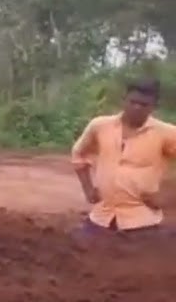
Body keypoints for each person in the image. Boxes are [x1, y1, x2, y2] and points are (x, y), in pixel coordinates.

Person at [70, 77, 176, 237]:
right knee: (75, 250)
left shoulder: (166, 133)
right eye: (132, 102)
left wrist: (168, 197)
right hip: (101, 218)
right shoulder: (100, 126)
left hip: (143, 222)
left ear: (153, 107)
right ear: (124, 100)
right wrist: (88, 189)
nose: (136, 107)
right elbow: (79, 154)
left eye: (144, 105)